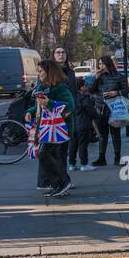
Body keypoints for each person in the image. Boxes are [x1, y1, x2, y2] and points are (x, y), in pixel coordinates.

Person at [31, 58, 75, 198]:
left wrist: (49, 102)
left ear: (49, 72)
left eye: (41, 71)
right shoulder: (43, 86)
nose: (39, 74)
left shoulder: (60, 87)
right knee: (53, 156)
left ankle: (61, 183)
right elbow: (40, 106)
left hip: (60, 129)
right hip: (48, 127)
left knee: (46, 155)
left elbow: (69, 105)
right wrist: (30, 111)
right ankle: (58, 185)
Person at [91, 55, 129, 167]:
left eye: (102, 63)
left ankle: (117, 158)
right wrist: (96, 77)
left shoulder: (119, 76)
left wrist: (116, 93)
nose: (100, 66)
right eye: (99, 64)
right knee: (102, 135)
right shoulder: (99, 77)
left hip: (115, 108)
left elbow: (126, 90)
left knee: (115, 134)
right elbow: (90, 90)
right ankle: (101, 158)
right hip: (101, 108)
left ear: (108, 64)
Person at [53, 46, 79, 170]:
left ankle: (68, 169)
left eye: (63, 52)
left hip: (71, 110)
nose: (61, 54)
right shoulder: (50, 71)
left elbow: (74, 91)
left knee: (70, 139)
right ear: (53, 55)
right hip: (56, 111)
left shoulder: (70, 72)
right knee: (58, 145)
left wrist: (75, 106)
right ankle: (60, 177)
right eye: (58, 52)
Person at [74, 75, 98, 170]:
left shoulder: (72, 96)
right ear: (81, 87)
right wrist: (97, 116)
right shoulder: (84, 98)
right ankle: (84, 164)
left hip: (74, 124)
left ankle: (72, 164)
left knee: (73, 145)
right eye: (84, 86)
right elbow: (91, 111)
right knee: (83, 145)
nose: (86, 87)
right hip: (83, 124)